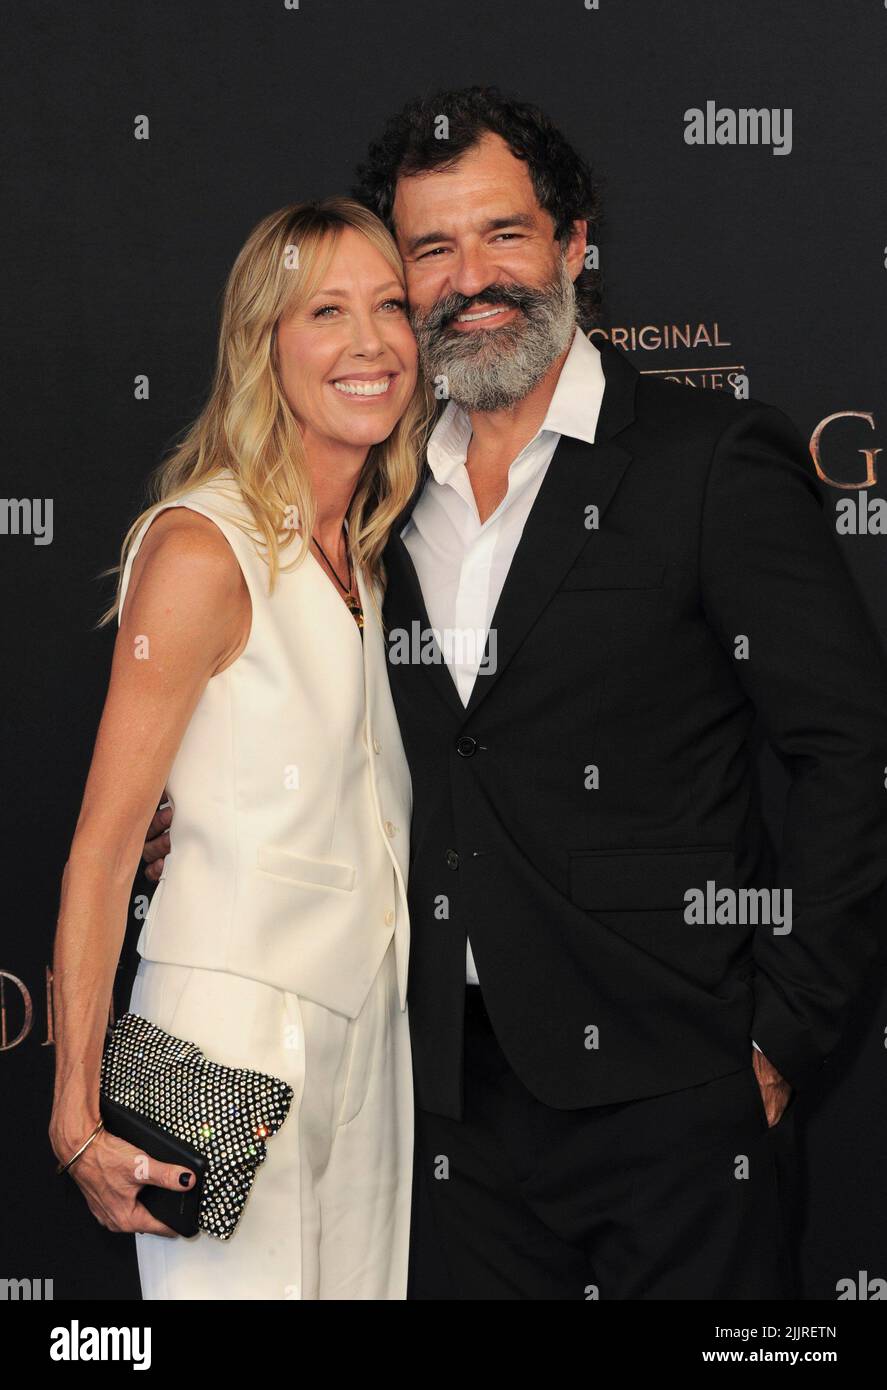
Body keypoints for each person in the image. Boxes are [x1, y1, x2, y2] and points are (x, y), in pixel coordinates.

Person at [352, 87, 887, 1298]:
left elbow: (852, 752)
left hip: (681, 1091)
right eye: (431, 247)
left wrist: (779, 1034)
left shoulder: (709, 460)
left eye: (502, 234)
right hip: (448, 1107)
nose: (469, 276)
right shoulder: (376, 498)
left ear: (574, 244)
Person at [49, 197, 431, 1300]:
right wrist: (76, 1111)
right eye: (327, 311)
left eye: (391, 306)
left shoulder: (361, 555)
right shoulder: (201, 546)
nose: (370, 343)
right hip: (222, 1040)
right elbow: (106, 846)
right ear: (263, 344)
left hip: (368, 1028)